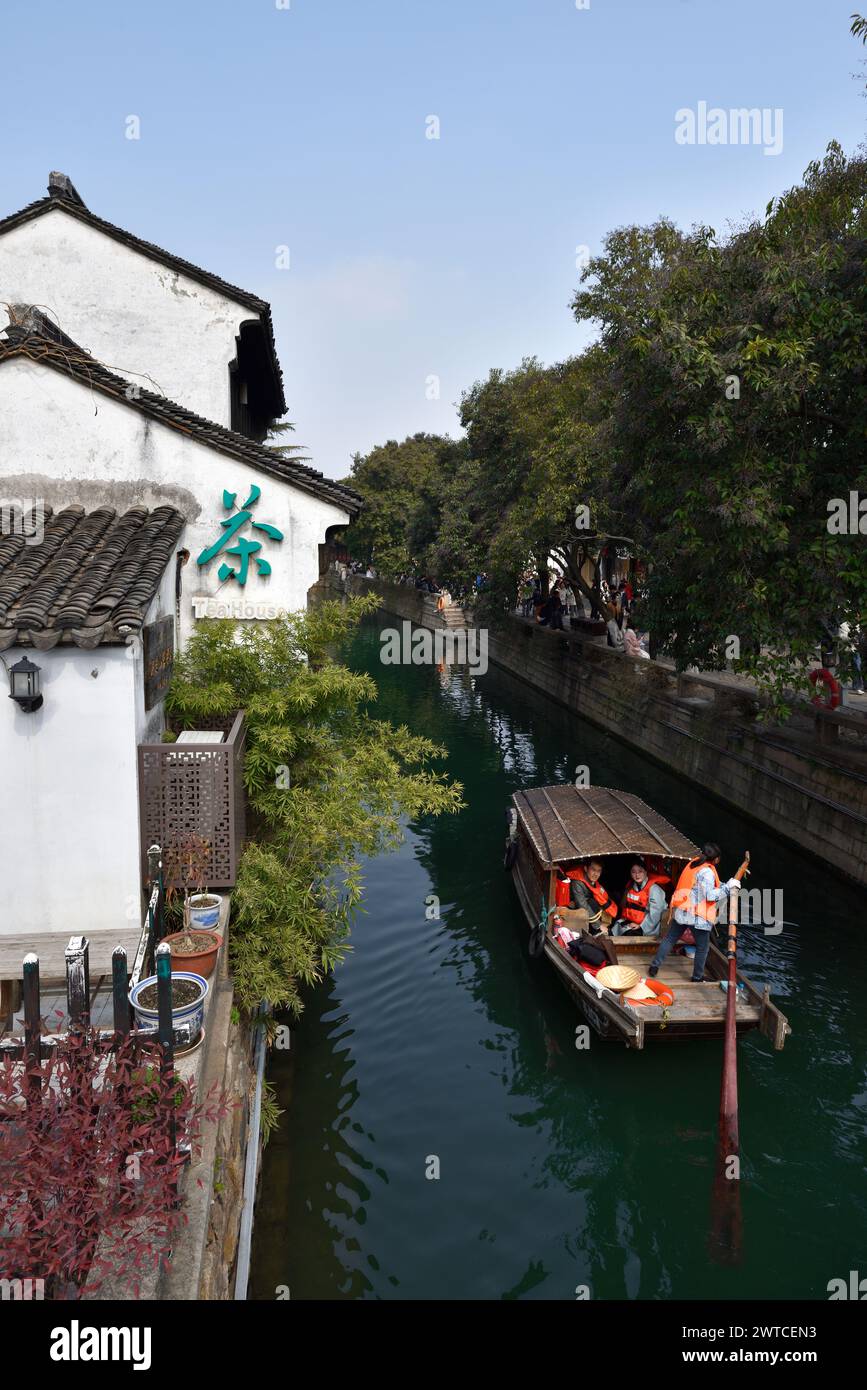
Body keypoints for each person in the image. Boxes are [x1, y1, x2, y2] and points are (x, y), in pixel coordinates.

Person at [648, 844, 741, 983]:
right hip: (698, 916)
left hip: (683, 911)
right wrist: (728, 888)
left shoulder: (694, 863)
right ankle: (697, 977)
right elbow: (710, 895)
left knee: (669, 939)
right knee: (703, 948)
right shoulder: (708, 872)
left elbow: (705, 886)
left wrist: (725, 884)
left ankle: (654, 967)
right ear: (716, 859)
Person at [613, 859, 669, 936]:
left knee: (629, 935)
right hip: (631, 922)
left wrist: (641, 926)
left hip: (649, 927)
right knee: (613, 930)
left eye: (640, 871)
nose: (637, 875)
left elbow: (656, 914)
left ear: (646, 872)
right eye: (633, 872)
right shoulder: (631, 887)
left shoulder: (654, 889)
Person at [565, 859, 618, 935]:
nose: (596, 874)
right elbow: (583, 905)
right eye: (593, 870)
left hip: (593, 916)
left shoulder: (594, 882)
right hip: (578, 916)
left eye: (599, 871)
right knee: (592, 902)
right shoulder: (577, 883)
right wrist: (598, 925)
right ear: (586, 869)